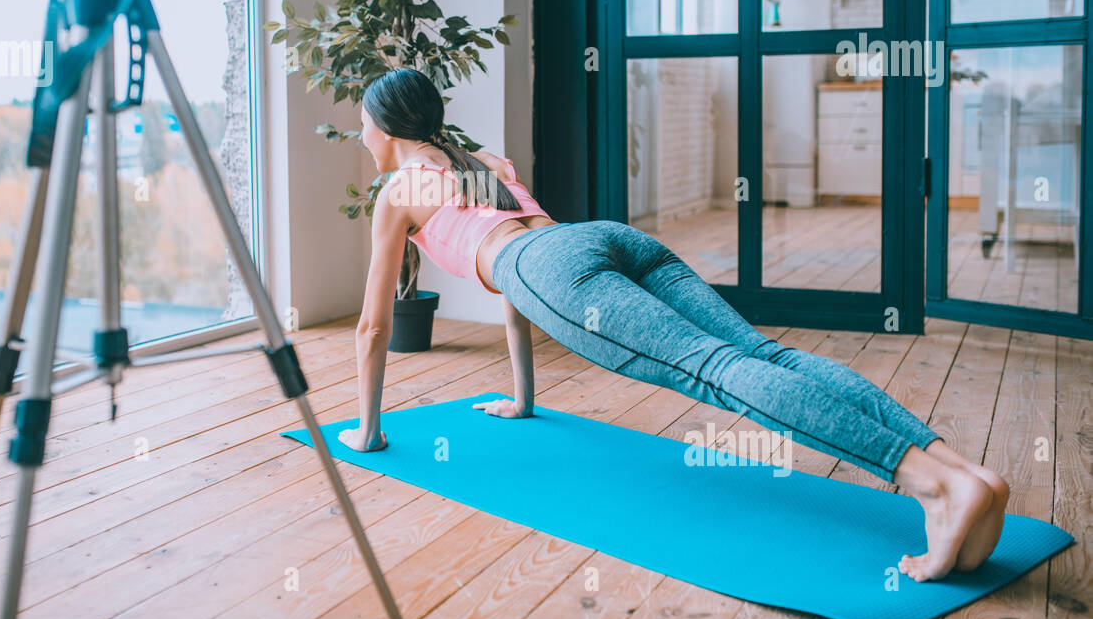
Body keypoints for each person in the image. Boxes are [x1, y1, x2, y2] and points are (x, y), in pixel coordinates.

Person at [343, 66, 1009, 583]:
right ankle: (964, 473)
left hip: (553, 270)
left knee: (718, 371)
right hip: (600, 239)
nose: (361, 137)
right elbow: (510, 271)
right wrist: (522, 400)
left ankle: (932, 484)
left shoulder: (400, 192)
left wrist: (370, 433)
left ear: (388, 129)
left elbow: (375, 328)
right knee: (758, 352)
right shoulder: (483, 161)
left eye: (364, 125)